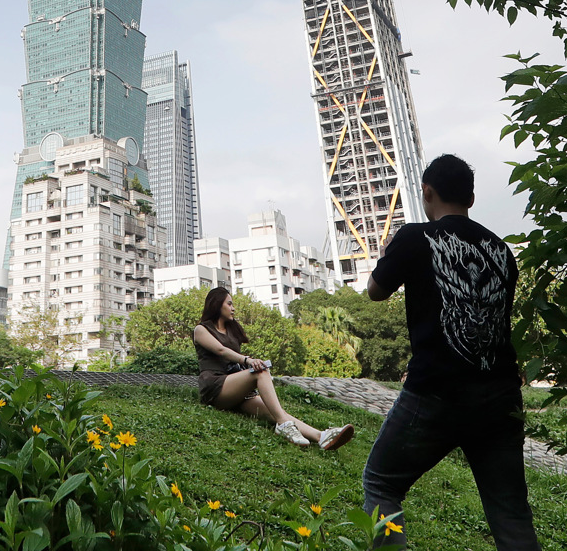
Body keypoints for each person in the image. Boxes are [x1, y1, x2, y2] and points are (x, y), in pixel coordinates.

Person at [361, 154, 541, 549]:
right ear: (471, 199)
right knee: (510, 512)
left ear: (427, 192)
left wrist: (392, 251)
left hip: (436, 390)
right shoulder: (502, 252)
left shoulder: (414, 237)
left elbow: (374, 292)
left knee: (381, 482)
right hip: (500, 394)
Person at [193, 286, 355, 450]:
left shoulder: (231, 330)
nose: (233, 308)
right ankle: (284, 426)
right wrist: (248, 361)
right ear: (217, 304)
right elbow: (221, 350)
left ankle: (321, 437)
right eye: (229, 304)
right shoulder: (201, 330)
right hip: (215, 388)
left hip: (235, 389)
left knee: (275, 411)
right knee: (260, 372)